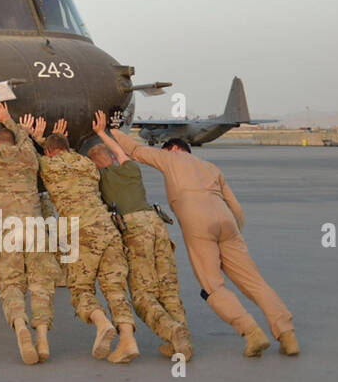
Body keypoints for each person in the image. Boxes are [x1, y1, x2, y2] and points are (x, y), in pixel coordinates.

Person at [109, 126, 297, 357]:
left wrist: (111, 130)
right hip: (227, 221)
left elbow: (136, 150)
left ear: (174, 149)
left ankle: (251, 332)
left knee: (213, 287)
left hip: (198, 222)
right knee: (255, 283)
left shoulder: (171, 158)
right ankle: (287, 335)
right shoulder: (211, 167)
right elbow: (237, 208)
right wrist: (234, 235)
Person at [31, 116, 139, 364]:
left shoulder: (48, 165)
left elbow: (33, 158)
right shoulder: (87, 164)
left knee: (80, 289)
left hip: (81, 232)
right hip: (108, 229)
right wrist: (55, 141)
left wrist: (36, 137)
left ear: (49, 152)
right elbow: (62, 153)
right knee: (115, 289)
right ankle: (127, 340)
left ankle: (102, 324)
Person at [91, 111, 192, 359]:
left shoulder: (99, 178)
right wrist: (102, 132)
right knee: (168, 287)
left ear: (95, 165)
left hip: (135, 230)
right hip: (156, 224)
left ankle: (172, 331)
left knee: (142, 294)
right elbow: (121, 152)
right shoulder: (131, 170)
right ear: (112, 159)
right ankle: (183, 343)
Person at [0, 94, 58, 365]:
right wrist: (8, 119)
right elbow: (25, 140)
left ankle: (21, 326)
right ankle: (42, 337)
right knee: (41, 281)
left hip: (8, 227)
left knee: (10, 282)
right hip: (34, 225)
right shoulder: (29, 159)